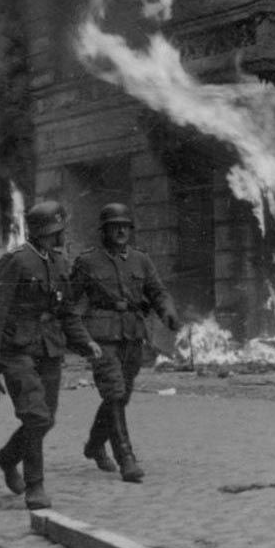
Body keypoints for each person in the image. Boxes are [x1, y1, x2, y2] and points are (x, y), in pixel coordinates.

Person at [0, 200, 103, 510]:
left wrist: (86, 342)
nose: (62, 235)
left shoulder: (59, 262)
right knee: (36, 416)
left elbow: (67, 310)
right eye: (59, 230)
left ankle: (6, 457)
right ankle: (35, 485)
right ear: (47, 232)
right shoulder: (15, 262)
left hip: (49, 348)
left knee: (47, 419)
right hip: (16, 349)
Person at [70, 203, 181, 483]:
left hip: (132, 335)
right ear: (104, 230)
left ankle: (94, 445)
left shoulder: (141, 260)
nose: (120, 230)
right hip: (102, 336)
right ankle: (126, 459)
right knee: (115, 392)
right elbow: (69, 302)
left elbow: (157, 290)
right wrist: (78, 337)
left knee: (121, 396)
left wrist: (167, 311)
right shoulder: (87, 262)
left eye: (125, 226)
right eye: (114, 226)